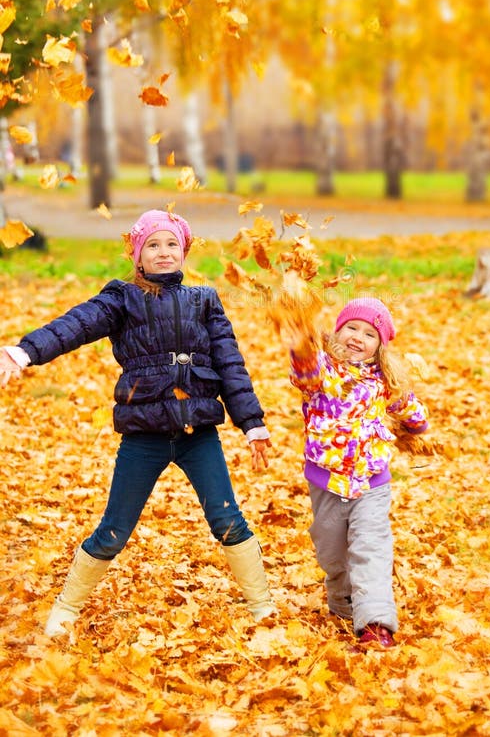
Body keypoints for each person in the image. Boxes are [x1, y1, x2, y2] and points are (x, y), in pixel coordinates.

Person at [0, 208, 276, 640]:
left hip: (198, 435)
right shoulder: (122, 299)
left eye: (171, 244)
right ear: (137, 255)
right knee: (113, 531)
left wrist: (252, 423)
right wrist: (24, 352)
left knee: (228, 521)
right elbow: (75, 325)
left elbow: (230, 364)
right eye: (152, 245)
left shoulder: (205, 301)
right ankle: (67, 607)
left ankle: (263, 608)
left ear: (184, 251)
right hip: (144, 436)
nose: (163, 252)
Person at [286, 296, 429, 649]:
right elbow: (304, 373)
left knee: (370, 547)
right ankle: (343, 602)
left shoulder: (384, 379)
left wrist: (419, 426)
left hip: (371, 483)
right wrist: (300, 345)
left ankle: (375, 623)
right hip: (327, 482)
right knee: (332, 553)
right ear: (337, 331)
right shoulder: (323, 371)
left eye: (369, 334)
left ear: (379, 345)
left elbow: (404, 403)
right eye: (351, 327)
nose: (358, 337)